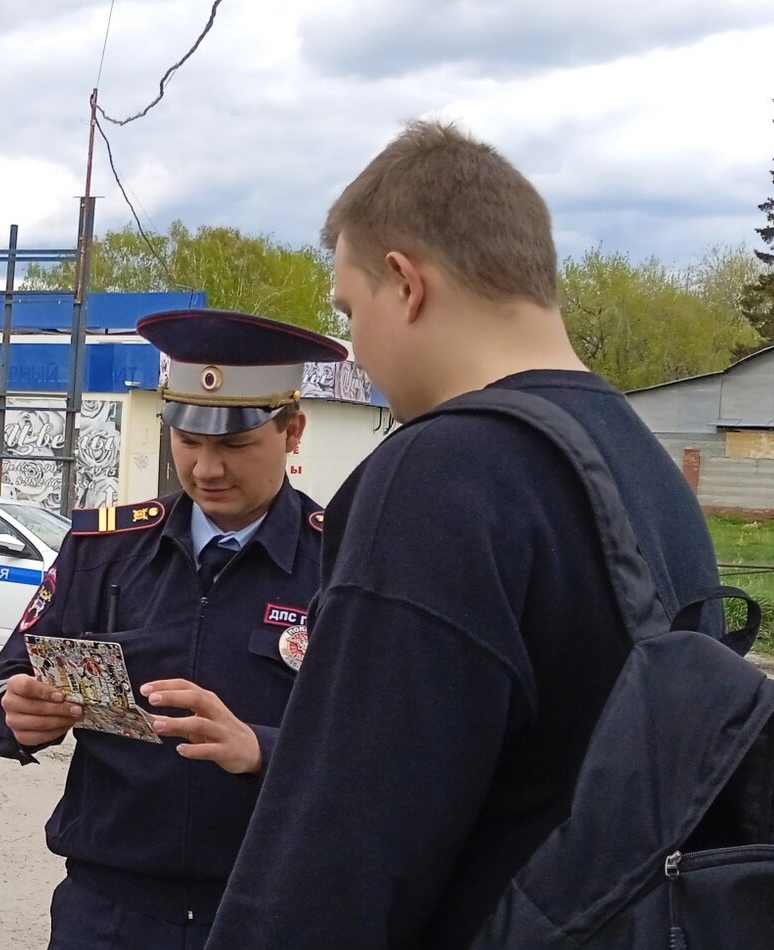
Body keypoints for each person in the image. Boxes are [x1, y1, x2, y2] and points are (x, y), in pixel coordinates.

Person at [206, 121, 726, 949]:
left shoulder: (442, 473)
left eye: (350, 308)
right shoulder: (640, 462)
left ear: (406, 285)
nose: (356, 348)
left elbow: (343, 845)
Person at [0, 309, 346, 950]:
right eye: (189, 441)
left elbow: (375, 745)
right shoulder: (103, 548)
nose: (207, 469)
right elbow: (9, 678)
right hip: (107, 913)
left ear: (293, 431)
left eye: (234, 445)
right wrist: (16, 716)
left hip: (264, 911)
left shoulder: (344, 567)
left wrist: (261, 748)